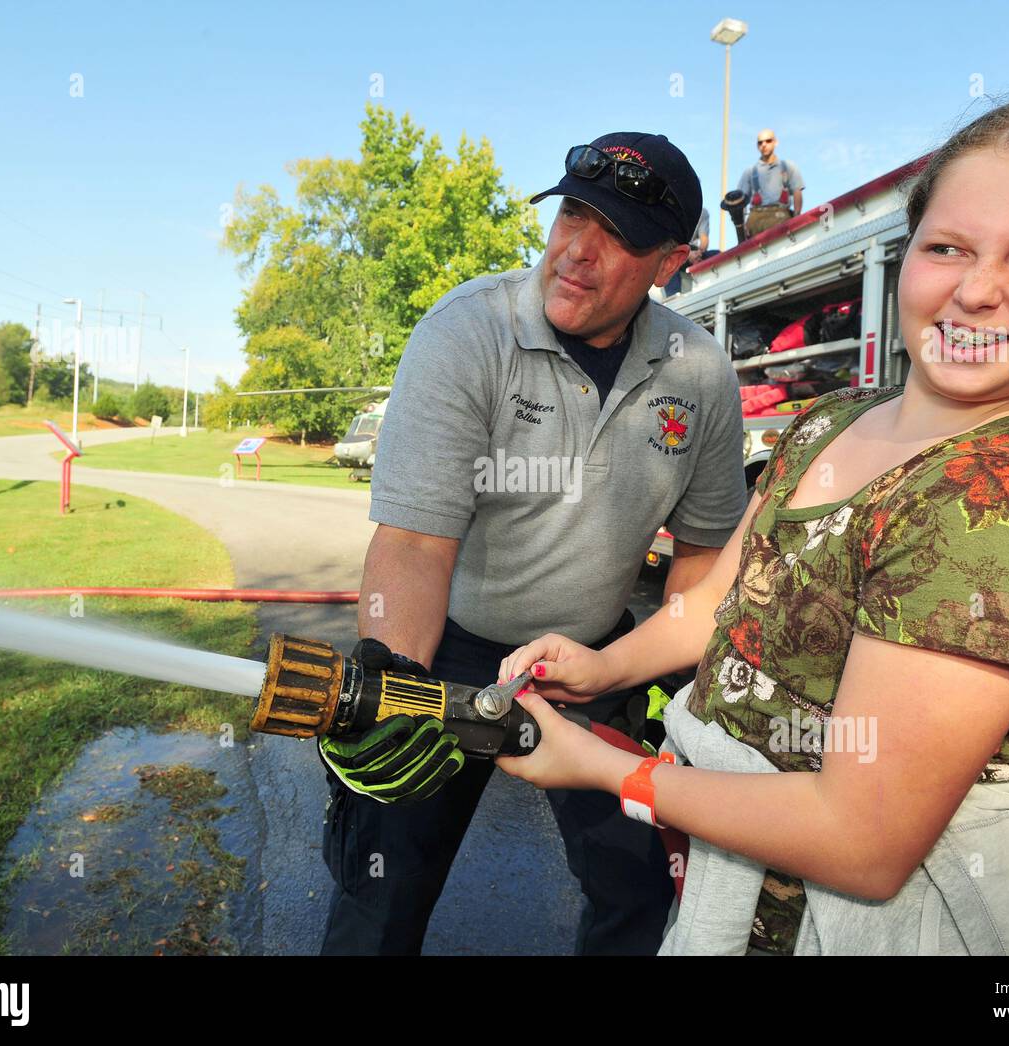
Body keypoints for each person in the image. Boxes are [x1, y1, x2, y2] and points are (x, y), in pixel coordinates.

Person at [494, 82, 1009, 955]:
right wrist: (599, 667)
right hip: (740, 908)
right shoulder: (836, 417)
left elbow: (863, 840)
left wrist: (603, 767)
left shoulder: (1001, 507)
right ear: (909, 248)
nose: (976, 292)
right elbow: (720, 601)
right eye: (950, 247)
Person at [318, 132, 749, 955]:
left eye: (617, 235)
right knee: (383, 884)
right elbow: (413, 545)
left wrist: (682, 703)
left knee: (640, 882)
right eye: (572, 216)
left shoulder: (699, 374)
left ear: (669, 263)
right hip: (445, 650)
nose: (577, 253)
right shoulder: (467, 332)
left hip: (590, 665)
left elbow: (701, 559)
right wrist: (396, 683)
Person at [730, 128, 804, 243]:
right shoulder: (750, 172)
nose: (764, 145)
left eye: (768, 141)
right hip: (756, 218)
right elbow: (741, 201)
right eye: (760, 142)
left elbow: (797, 191)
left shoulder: (788, 166)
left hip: (781, 215)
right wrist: (743, 225)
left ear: (775, 142)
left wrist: (797, 217)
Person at [662, 206, 711, 299]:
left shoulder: (703, 212)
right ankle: (672, 299)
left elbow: (704, 240)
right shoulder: (671, 210)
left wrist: (698, 253)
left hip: (693, 250)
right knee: (670, 263)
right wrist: (687, 255)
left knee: (716, 254)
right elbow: (668, 244)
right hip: (674, 251)